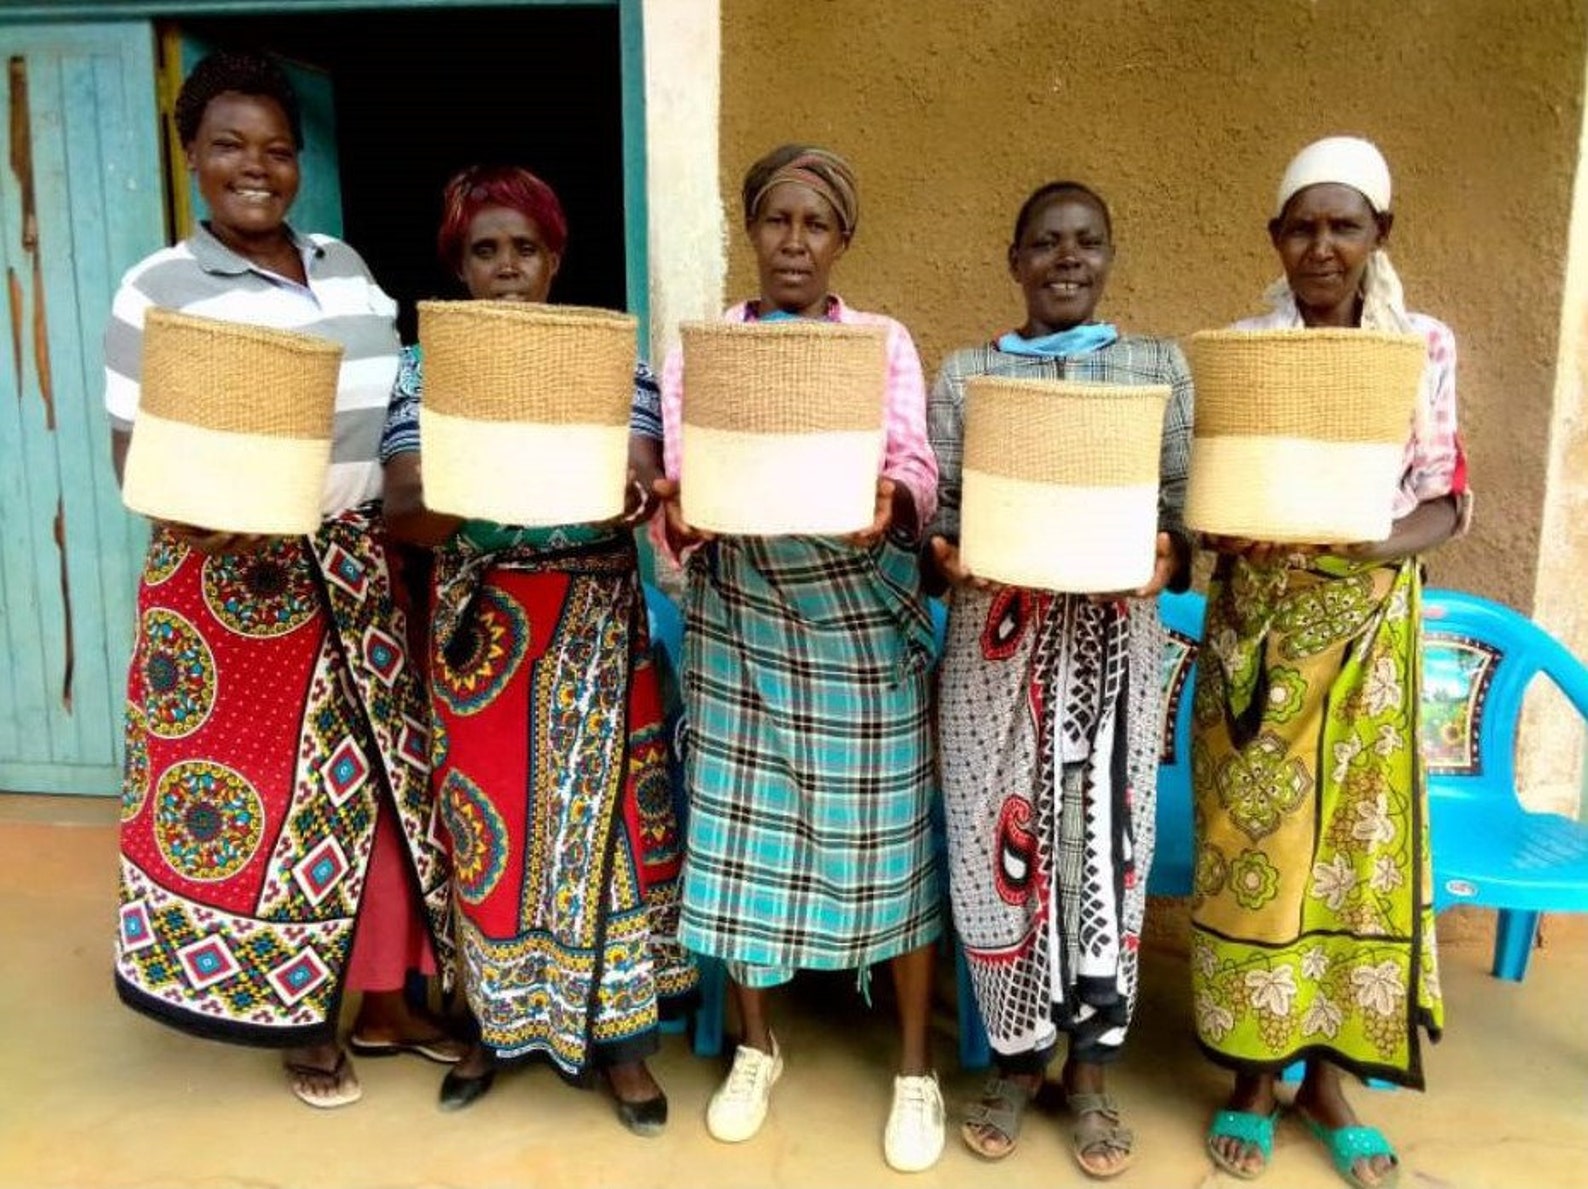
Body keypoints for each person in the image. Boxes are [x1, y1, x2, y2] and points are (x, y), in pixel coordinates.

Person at [105, 49, 463, 1109]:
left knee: (383, 794)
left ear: (298, 162)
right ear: (192, 159)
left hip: (358, 564)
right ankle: (297, 1023)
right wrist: (216, 511)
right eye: (227, 145)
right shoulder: (158, 287)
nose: (253, 167)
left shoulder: (345, 264)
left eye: (274, 148)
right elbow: (139, 456)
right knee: (272, 814)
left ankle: (388, 1004)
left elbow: (396, 401)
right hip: (233, 588)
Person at [380, 164, 696, 1134]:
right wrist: (490, 477)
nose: (507, 267)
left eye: (524, 248)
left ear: (555, 258)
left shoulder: (614, 363)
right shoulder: (420, 371)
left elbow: (635, 484)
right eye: (485, 250)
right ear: (458, 268)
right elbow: (406, 516)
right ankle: (493, 1025)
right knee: (489, 836)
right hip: (481, 633)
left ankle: (624, 1047)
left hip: (595, 626)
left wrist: (628, 491)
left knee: (610, 838)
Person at [651, 144, 945, 1173]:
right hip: (742, 620)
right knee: (739, 838)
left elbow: (911, 458)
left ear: (841, 241)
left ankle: (915, 1067)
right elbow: (683, 464)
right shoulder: (708, 344)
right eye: (776, 220)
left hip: (854, 619)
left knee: (891, 839)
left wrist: (893, 502)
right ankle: (756, 1046)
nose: (792, 242)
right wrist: (680, 508)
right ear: (750, 230)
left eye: (814, 224)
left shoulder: (879, 340)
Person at [1194, 136, 1469, 1188]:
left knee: (1351, 860)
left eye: (1342, 225)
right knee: (1253, 852)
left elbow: (1445, 494)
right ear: (1275, 237)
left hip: (1365, 639)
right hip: (1255, 641)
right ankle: (1252, 1078)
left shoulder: (1419, 347)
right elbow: (1215, 501)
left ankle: (1322, 1078)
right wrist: (1240, 530)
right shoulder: (1248, 346)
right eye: (1301, 226)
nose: (1321, 246)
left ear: (1377, 235)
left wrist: (1367, 542)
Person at [925, 180, 1193, 1178]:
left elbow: (1180, 506)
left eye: (1083, 241)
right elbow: (942, 512)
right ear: (1015, 260)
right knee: (993, 858)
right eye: (1043, 243)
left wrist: (1171, 550)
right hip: (996, 651)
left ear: (1109, 252)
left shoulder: (1156, 367)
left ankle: (1087, 1074)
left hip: (1112, 654)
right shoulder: (967, 375)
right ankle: (1013, 1059)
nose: (1064, 259)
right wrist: (945, 552)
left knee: (1102, 856)